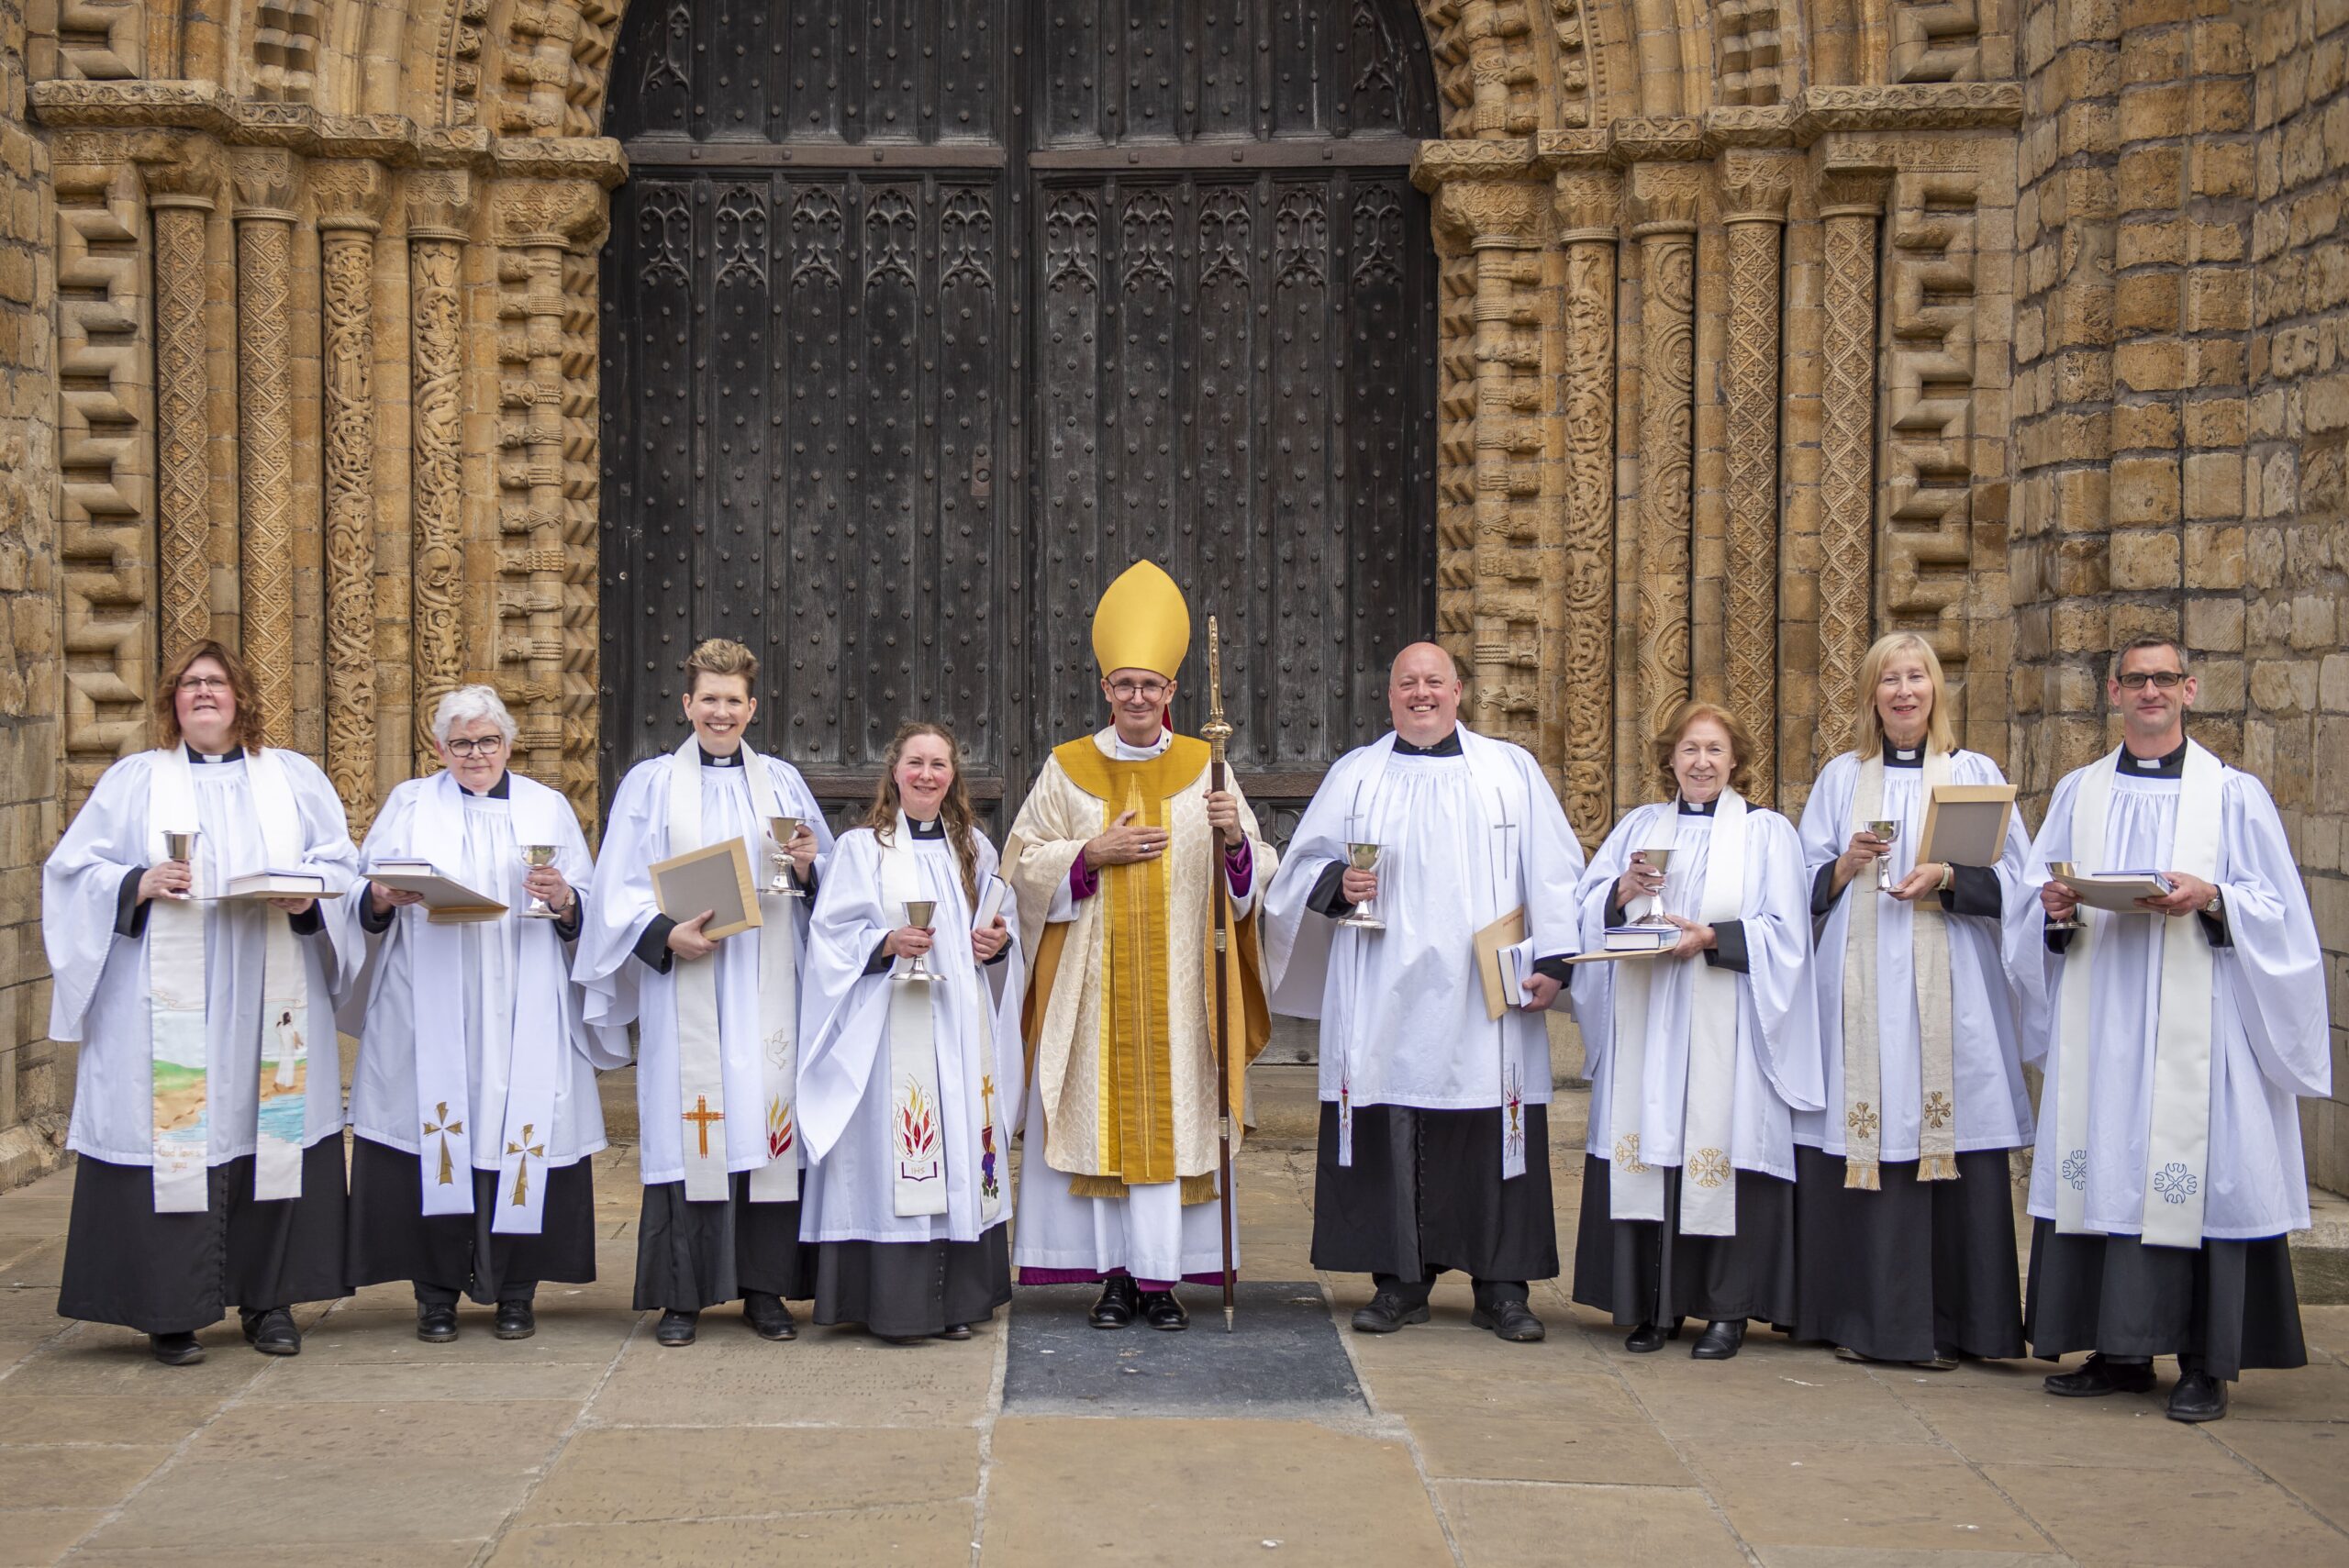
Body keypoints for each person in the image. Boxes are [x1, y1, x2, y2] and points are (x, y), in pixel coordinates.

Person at [2018, 635, 2329, 1422]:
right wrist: (2052, 911)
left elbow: (2280, 911)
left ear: (2190, 690)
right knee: (2107, 1166)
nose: (2150, 691)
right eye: (2135, 679)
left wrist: (2213, 893)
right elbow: (2039, 894)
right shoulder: (2078, 792)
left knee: (2196, 1175)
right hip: (2104, 1017)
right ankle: (2115, 1350)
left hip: (2199, 1021)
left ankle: (2202, 1362)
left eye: (2165, 679)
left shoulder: (2232, 794)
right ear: (2114, 693)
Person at [42, 639, 360, 1364]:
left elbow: (340, 860)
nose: (204, 693)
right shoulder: (133, 782)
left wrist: (305, 893)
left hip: (266, 988)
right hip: (166, 1000)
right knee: (176, 1136)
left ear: (241, 698)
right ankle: (170, 1311)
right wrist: (136, 882)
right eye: (189, 684)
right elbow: (71, 873)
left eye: (216, 682)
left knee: (270, 1131)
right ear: (172, 702)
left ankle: (270, 1303)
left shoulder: (293, 778)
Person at [1263, 642, 1586, 1343]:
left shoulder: (1510, 771)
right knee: (1395, 1120)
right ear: (1389, 697)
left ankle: (1502, 1287)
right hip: (1386, 987)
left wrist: (1555, 961)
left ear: (1458, 690)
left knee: (1490, 1125)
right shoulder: (1357, 774)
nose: (1420, 693)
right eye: (1406, 681)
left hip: (1484, 989)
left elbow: (1557, 869)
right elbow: (1300, 869)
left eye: (1433, 681)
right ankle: (1400, 1281)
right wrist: (1338, 887)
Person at [1002, 561, 1276, 1332]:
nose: (1137, 698)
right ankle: (1114, 1279)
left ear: (1172, 692)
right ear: (1106, 689)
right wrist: (1088, 856)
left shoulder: (1206, 768)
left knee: (1180, 1124)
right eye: (1124, 684)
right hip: (1095, 993)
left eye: (1150, 686)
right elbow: (1019, 862)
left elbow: (1255, 873)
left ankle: (1164, 1281)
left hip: (1182, 996)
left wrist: (1232, 842)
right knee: (1098, 1125)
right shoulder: (1067, 768)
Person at [340, 685, 627, 1342]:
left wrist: (563, 899)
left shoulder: (545, 807)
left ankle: (517, 1293)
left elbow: (589, 905)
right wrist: (381, 895)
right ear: (439, 748)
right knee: (433, 1137)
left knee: (520, 1131)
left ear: (508, 744)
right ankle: (435, 1295)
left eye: (488, 741)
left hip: (523, 1002)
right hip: (428, 1000)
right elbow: (364, 889)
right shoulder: (410, 804)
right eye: (461, 743)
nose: (475, 754)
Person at [575, 638, 834, 1347]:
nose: (721, 712)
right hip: (687, 978)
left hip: (764, 984)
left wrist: (811, 868)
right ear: (687, 704)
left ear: (753, 707)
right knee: (692, 1126)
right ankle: (682, 1294)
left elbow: (831, 887)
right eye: (708, 699)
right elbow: (615, 889)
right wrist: (663, 934)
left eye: (734, 700)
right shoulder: (650, 784)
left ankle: (764, 1290)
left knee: (764, 1126)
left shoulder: (781, 783)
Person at [1791, 633, 2035, 1369]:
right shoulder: (1843, 778)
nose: (1904, 691)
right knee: (1869, 1123)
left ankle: (1963, 1322)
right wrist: (1845, 863)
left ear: (1936, 690)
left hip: (1948, 986)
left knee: (1947, 1123)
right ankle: (1862, 1318)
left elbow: (2018, 886)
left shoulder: (1972, 773)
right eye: (1889, 680)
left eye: (1917, 677)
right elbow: (1796, 879)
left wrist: (1950, 877)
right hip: (1861, 988)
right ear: (1871, 695)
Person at [1569, 701, 1823, 1361]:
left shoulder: (1768, 834)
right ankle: (1654, 1306)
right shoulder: (1639, 826)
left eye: (1714, 750)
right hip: (1649, 1017)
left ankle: (1725, 1309)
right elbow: (1588, 910)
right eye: (1689, 750)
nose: (1701, 762)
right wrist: (1622, 891)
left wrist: (1713, 937)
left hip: (1725, 1022)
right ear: (1670, 760)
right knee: (1649, 1141)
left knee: (1718, 1141)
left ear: (1736, 759)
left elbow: (1787, 932)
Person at [797, 723, 1024, 1342]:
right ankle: (893, 1303)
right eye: (916, 762)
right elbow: (830, 939)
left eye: (939, 764)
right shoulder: (860, 849)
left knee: (955, 1151)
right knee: (896, 1153)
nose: (927, 774)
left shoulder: (972, 845)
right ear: (894, 770)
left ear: (953, 776)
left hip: (957, 1028)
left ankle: (956, 1303)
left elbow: (1000, 931)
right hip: (890, 1029)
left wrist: (996, 943)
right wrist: (885, 941)